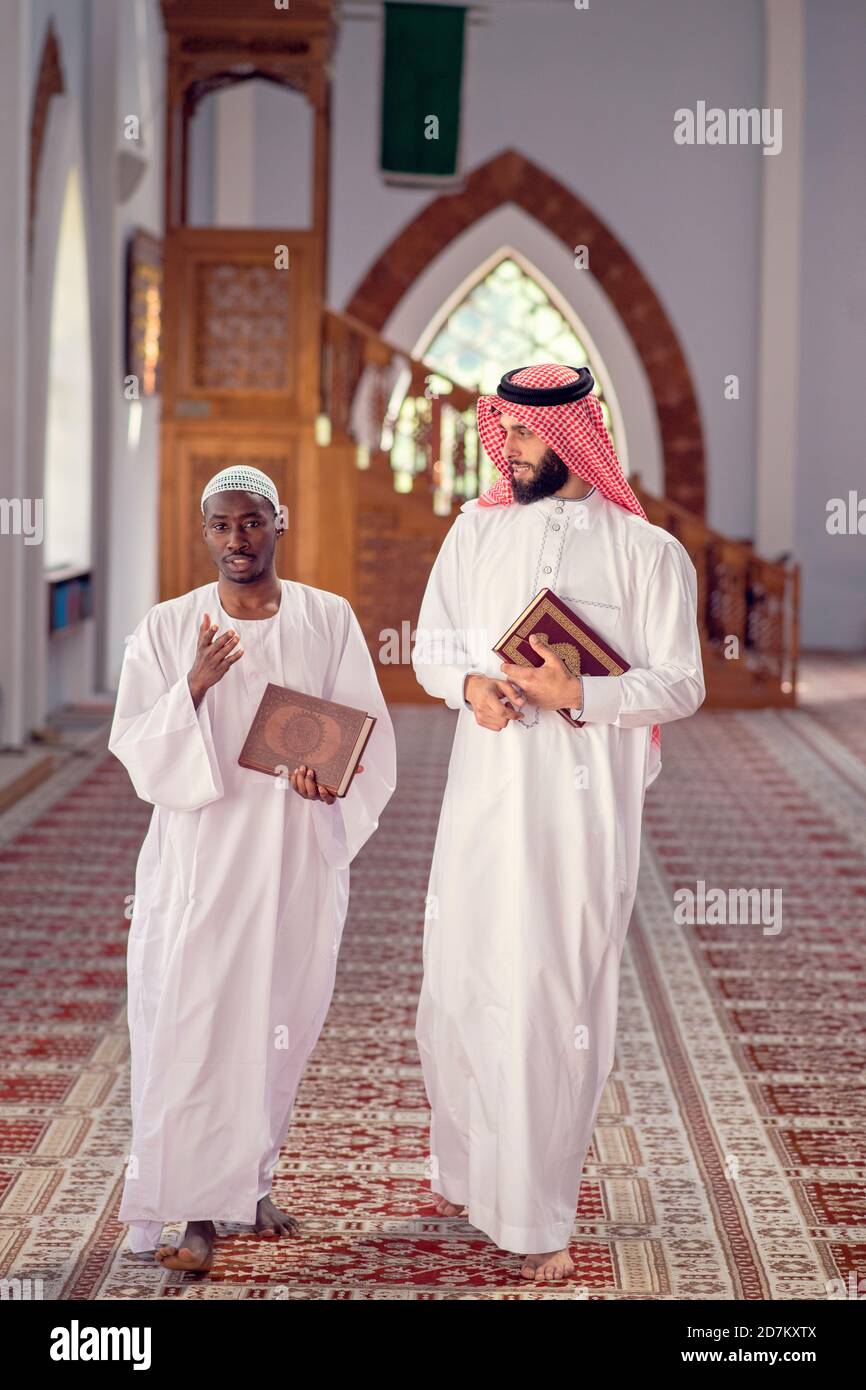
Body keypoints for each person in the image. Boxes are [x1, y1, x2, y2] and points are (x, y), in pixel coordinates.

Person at [411, 364, 705, 1283]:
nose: (518, 450)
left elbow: (682, 684)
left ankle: (534, 1210)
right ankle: (466, 1169)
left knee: (550, 997)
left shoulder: (647, 552)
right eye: (511, 433)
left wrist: (587, 692)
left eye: (535, 436)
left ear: (580, 437)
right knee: (459, 982)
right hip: (481, 804)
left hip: (581, 822)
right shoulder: (473, 531)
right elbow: (430, 647)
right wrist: (471, 687)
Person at [109, 465, 396, 1272]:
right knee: (195, 1024)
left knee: (282, 1024)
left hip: (296, 849)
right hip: (201, 860)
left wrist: (329, 778)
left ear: (282, 522)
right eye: (221, 525)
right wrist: (193, 689)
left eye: (253, 521)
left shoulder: (327, 616)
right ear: (206, 533)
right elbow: (135, 746)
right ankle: (196, 1212)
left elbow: (364, 731)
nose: (237, 539)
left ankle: (250, 1183)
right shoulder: (168, 627)